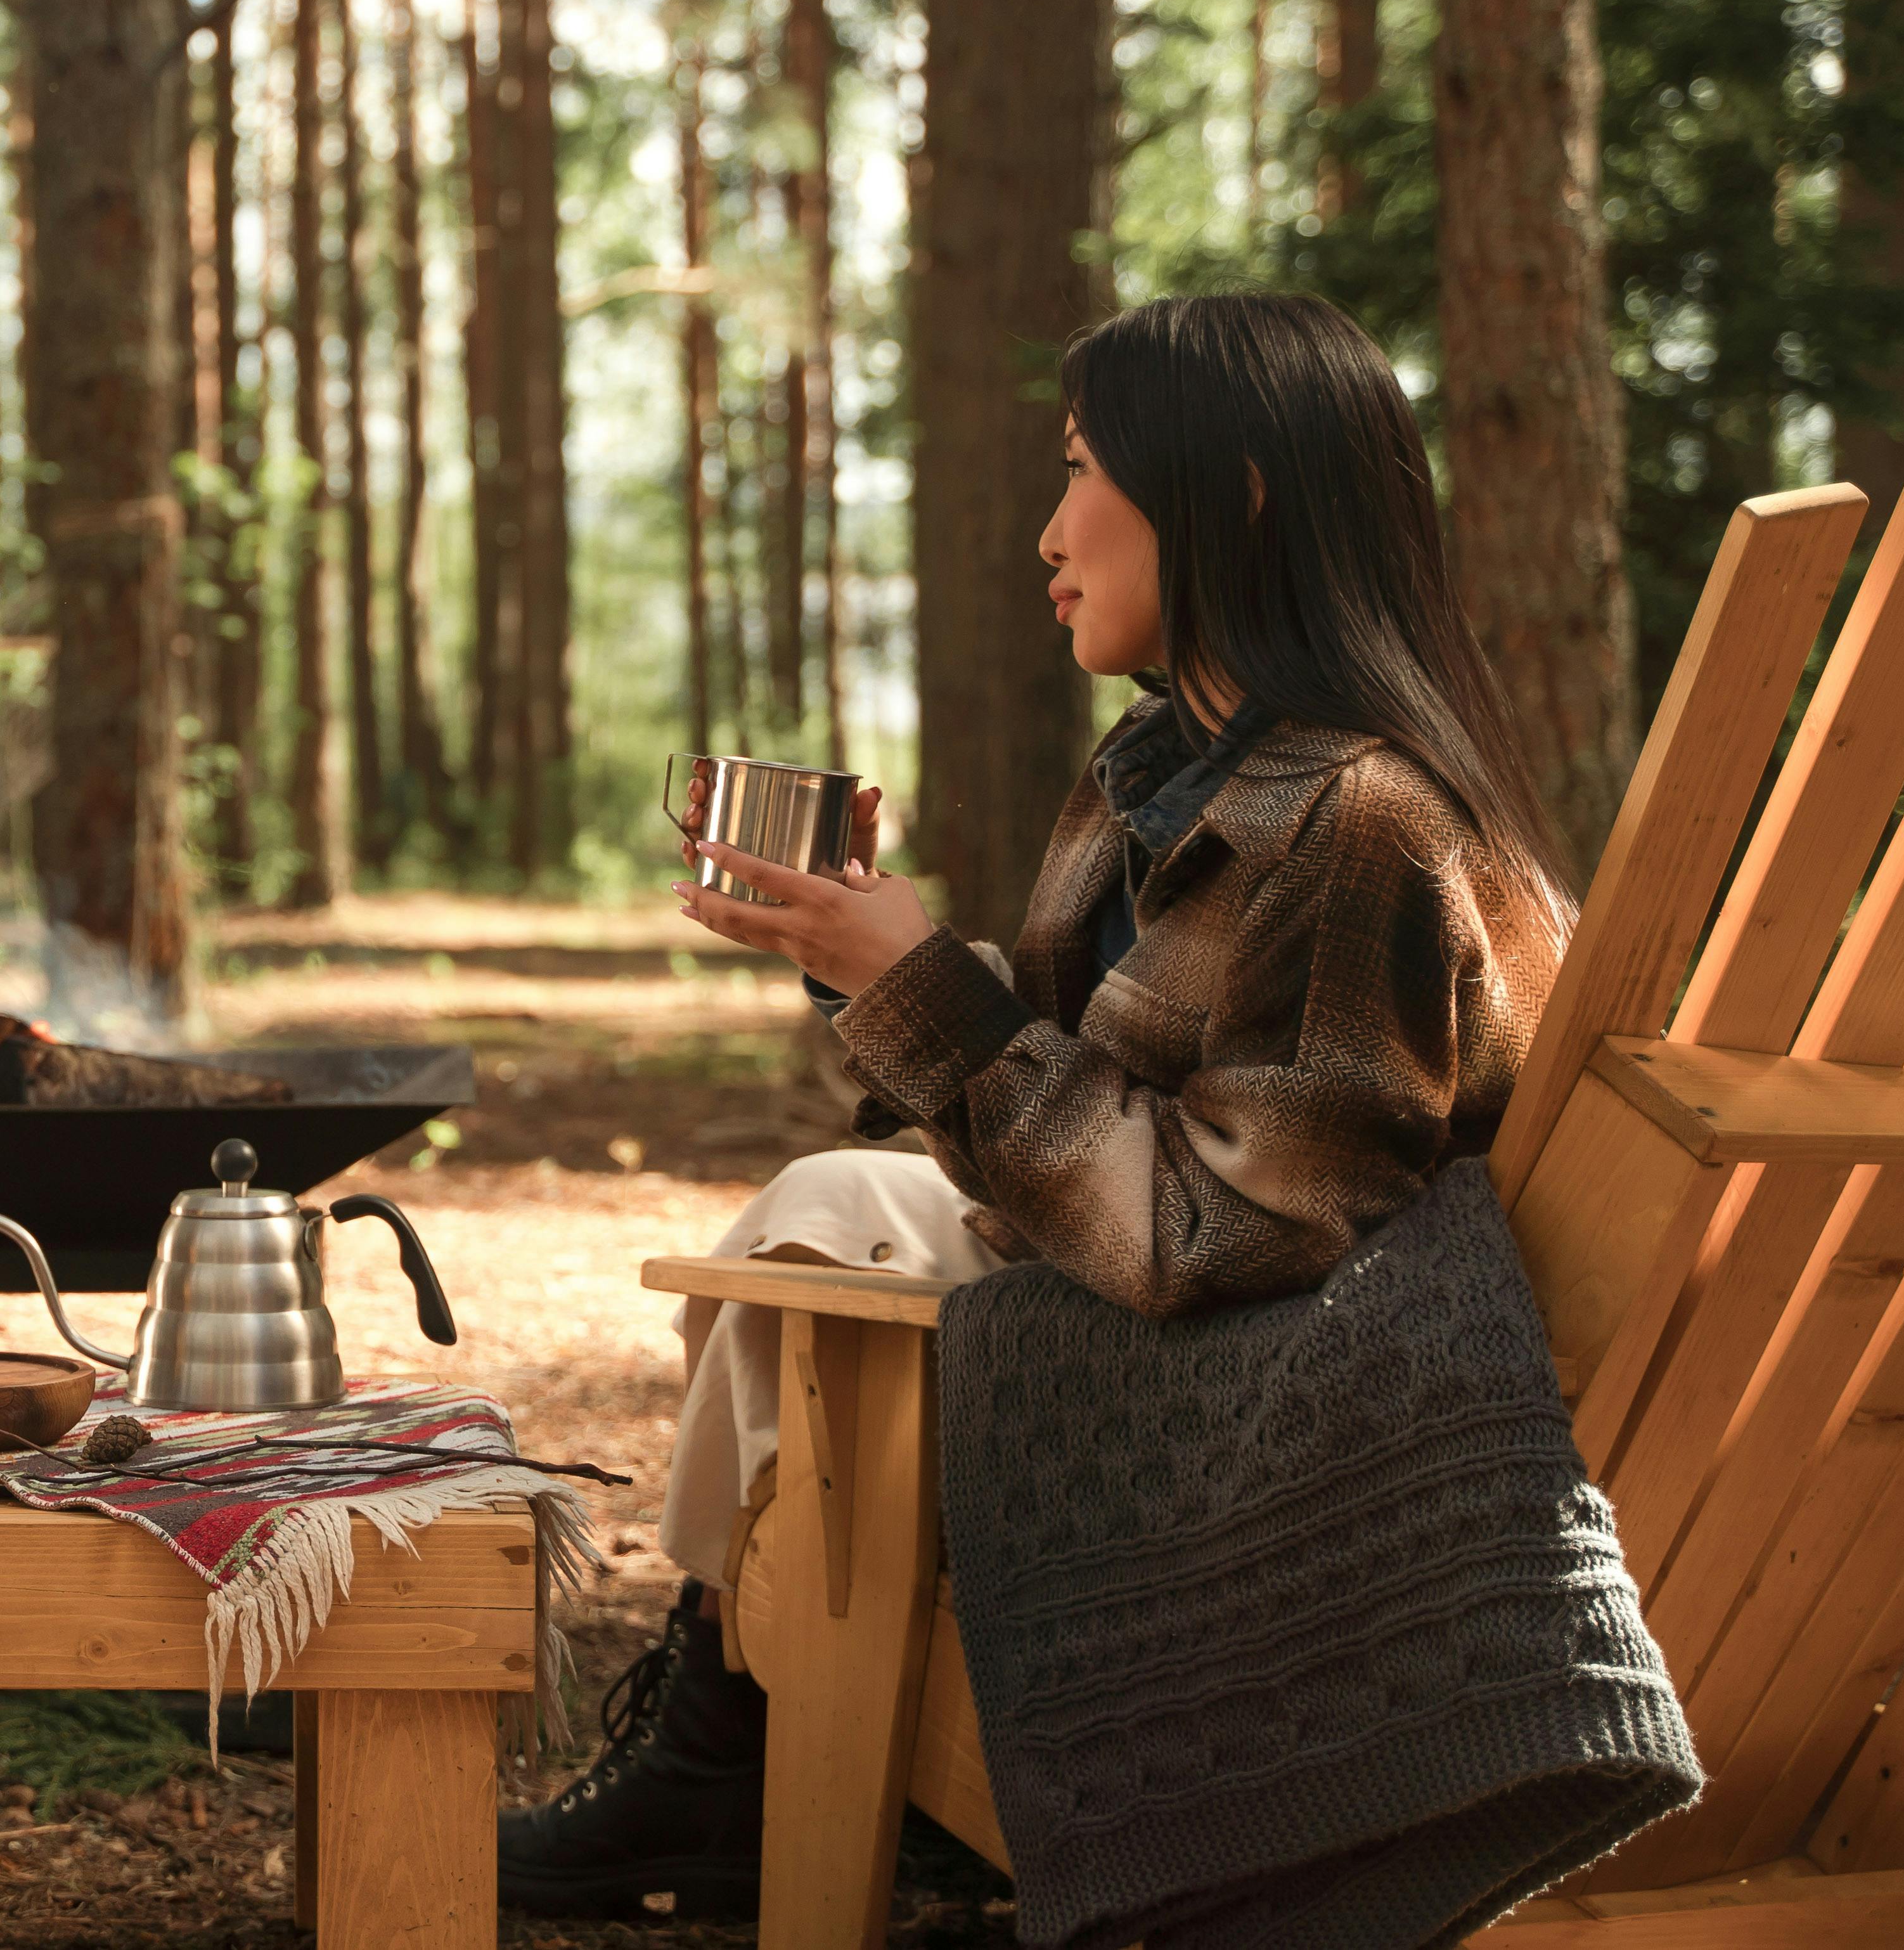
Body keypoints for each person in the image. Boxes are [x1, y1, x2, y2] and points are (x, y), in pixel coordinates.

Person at [500, 291, 1575, 1918]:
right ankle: (729, 1708)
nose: (1047, 530)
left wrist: (923, 987)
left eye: (1082, 471)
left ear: (1238, 497)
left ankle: (729, 1738)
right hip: (1176, 1298)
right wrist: (871, 961)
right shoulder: (1157, 768)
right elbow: (1093, 1063)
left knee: (824, 1237)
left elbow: (1222, 1234)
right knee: (823, 1212)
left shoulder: (1368, 830)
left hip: (1285, 1391)